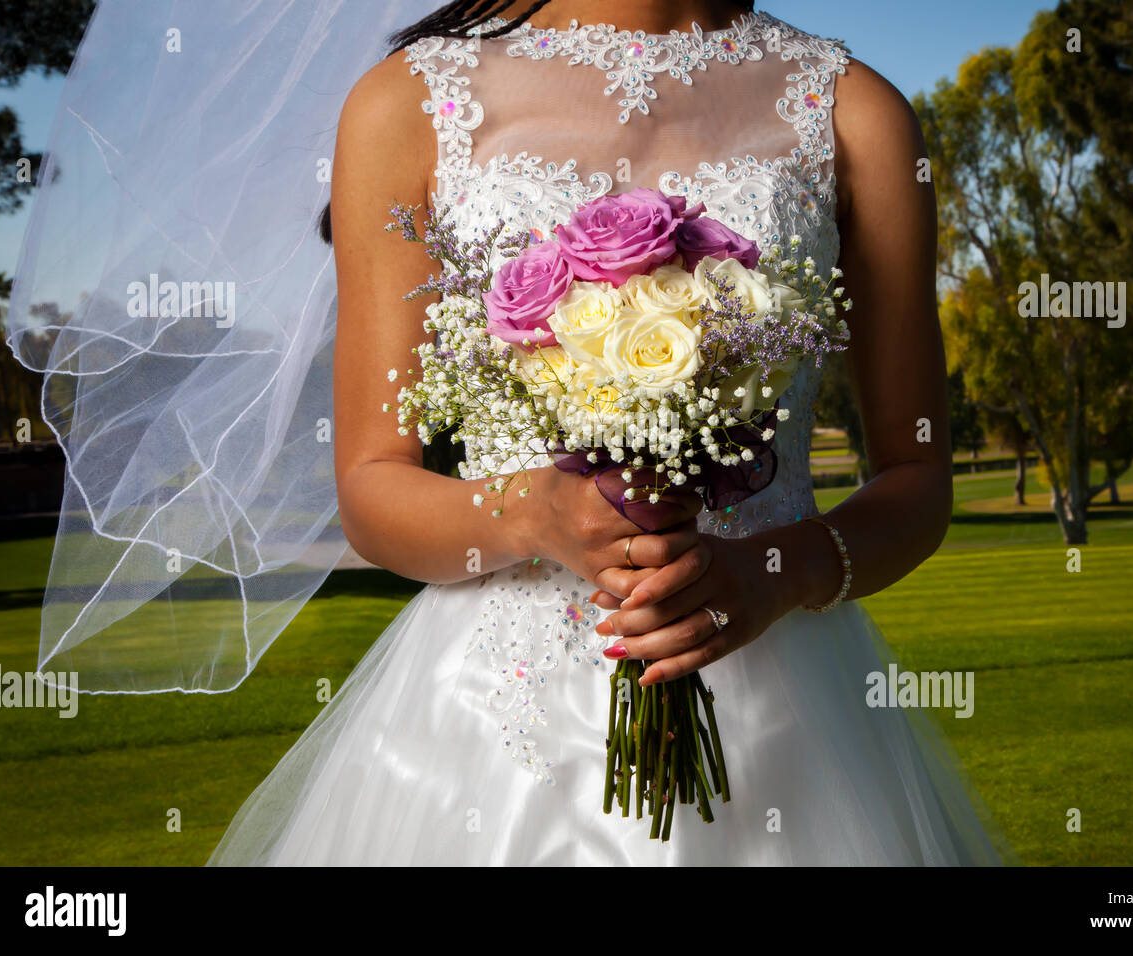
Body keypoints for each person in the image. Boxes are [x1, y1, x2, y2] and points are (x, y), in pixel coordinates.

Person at [200, 0, 1011, 865]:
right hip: (490, 727)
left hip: (793, 707)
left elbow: (918, 477)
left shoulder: (853, 110)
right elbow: (371, 484)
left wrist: (778, 573)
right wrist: (533, 515)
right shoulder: (406, 103)